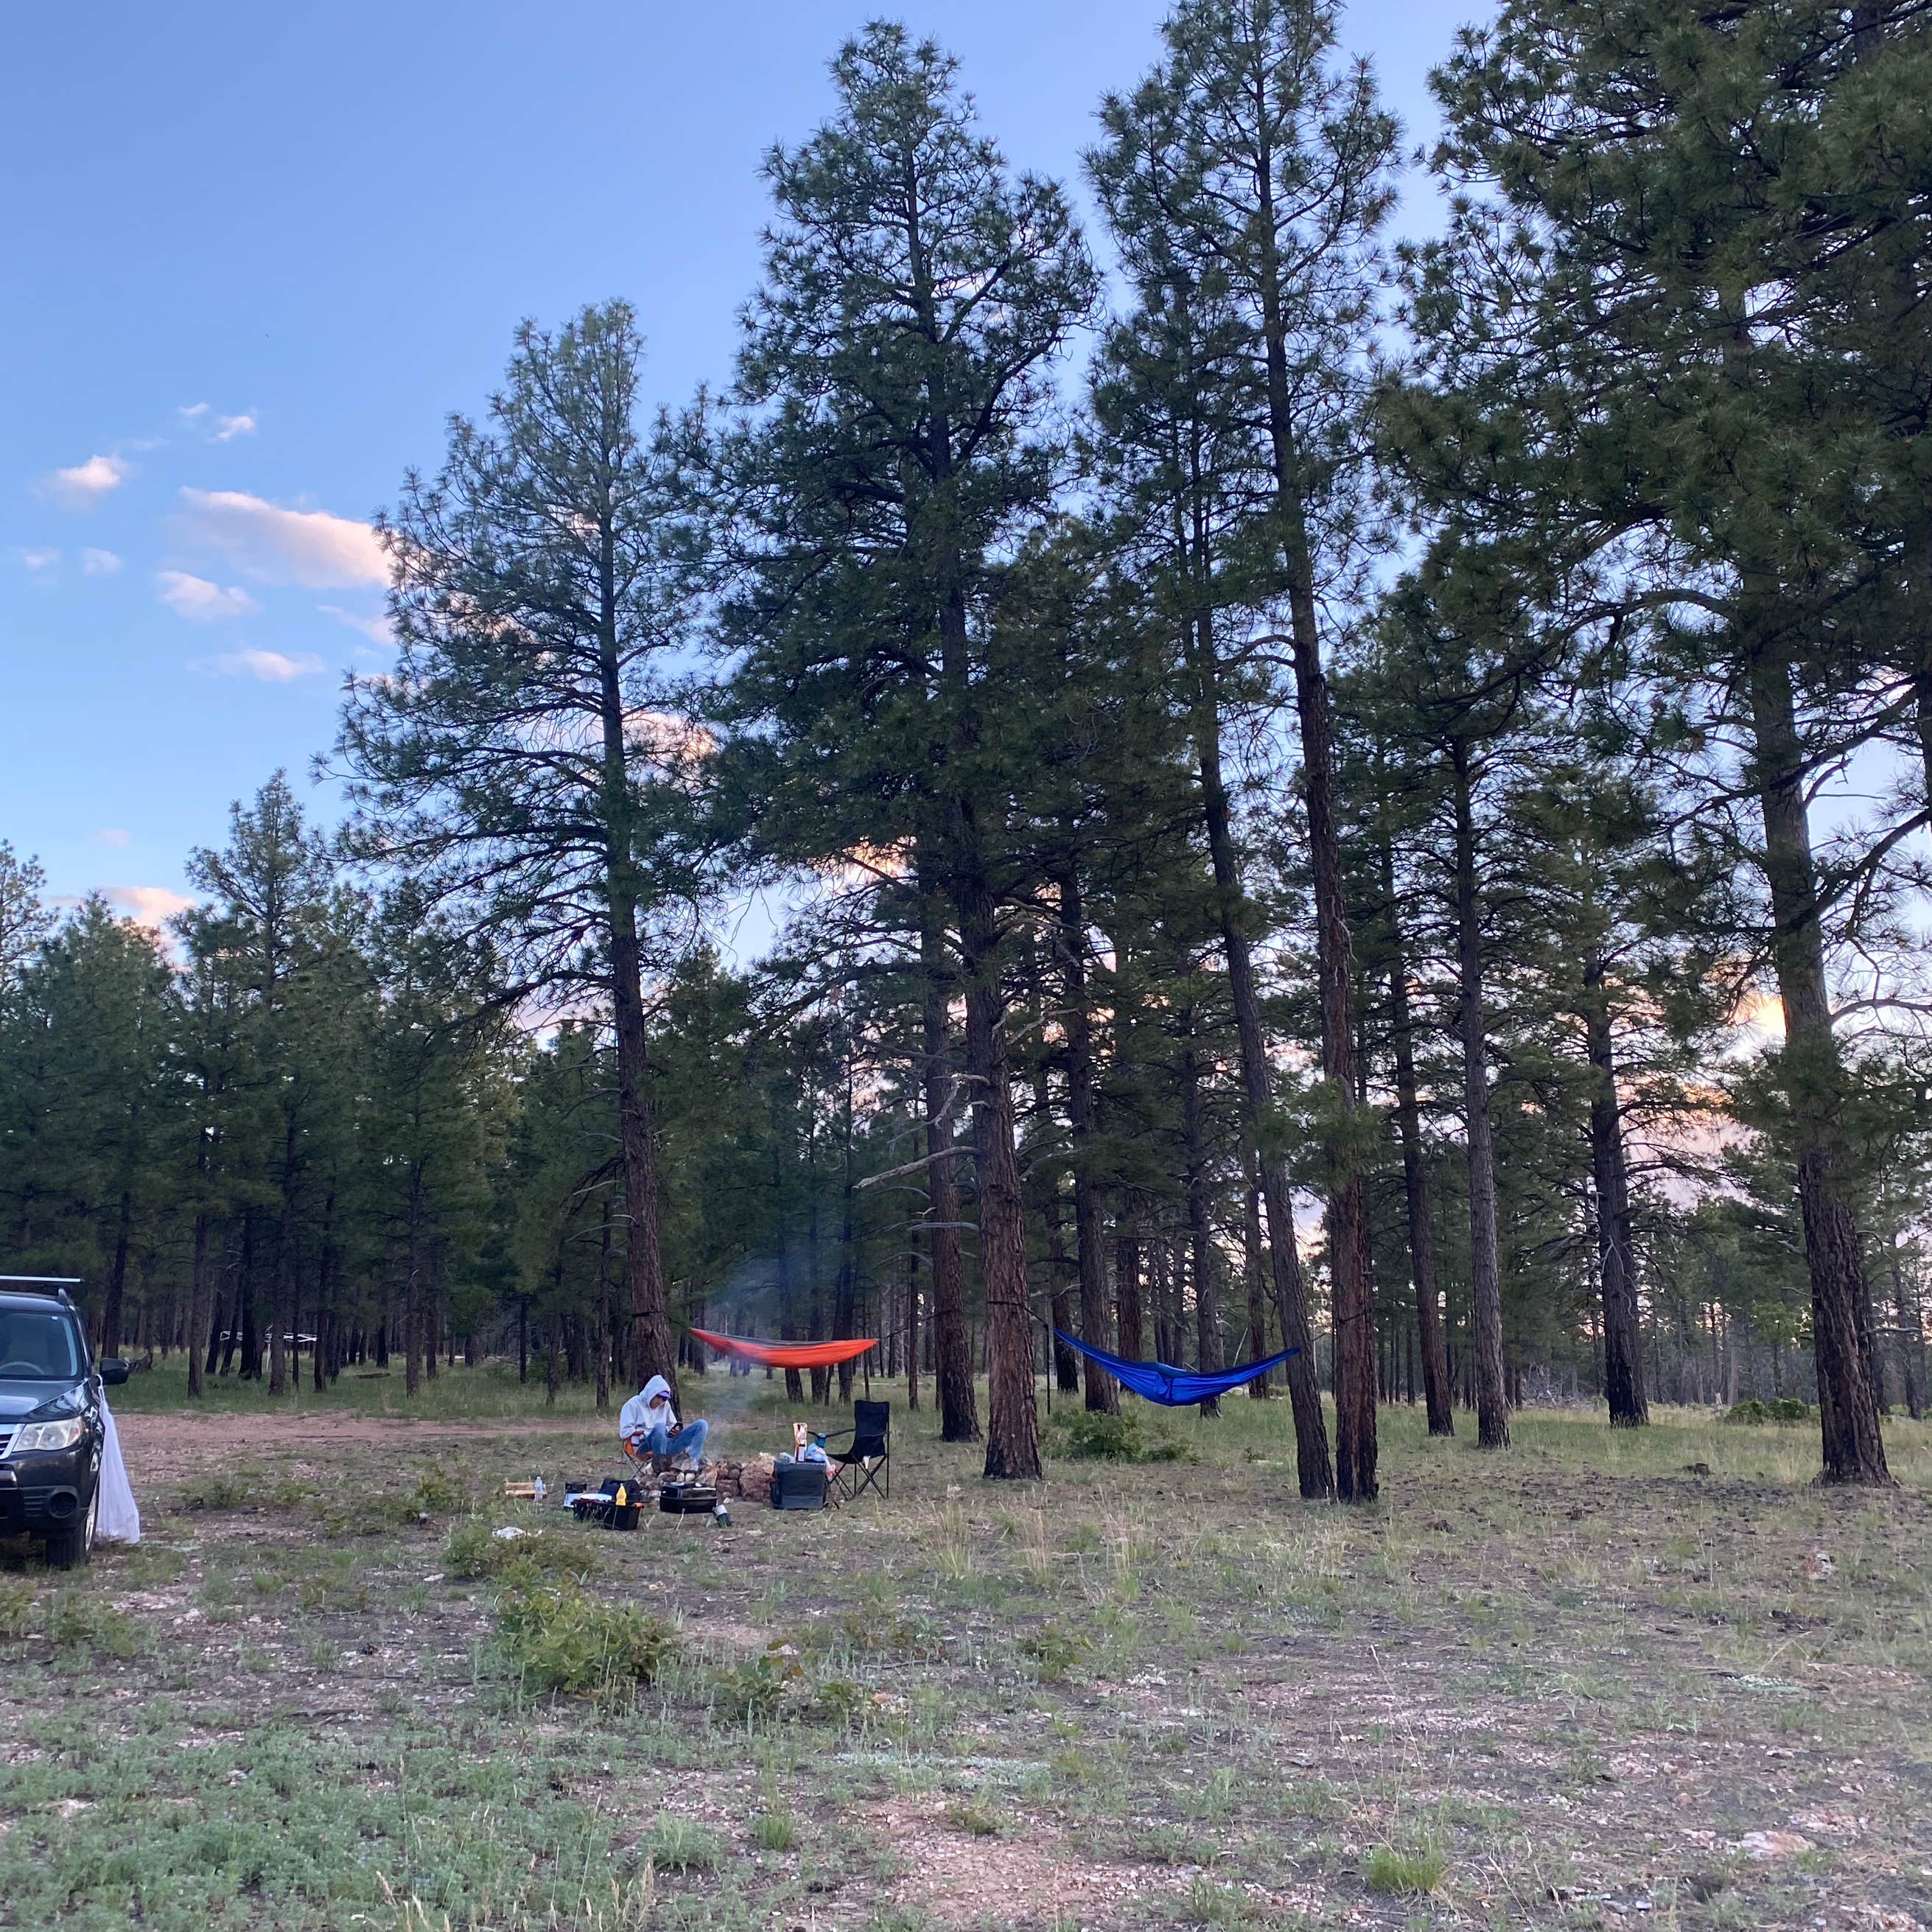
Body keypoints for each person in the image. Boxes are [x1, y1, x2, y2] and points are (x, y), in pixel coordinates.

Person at [618, 1373, 709, 1472]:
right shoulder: (633, 1405)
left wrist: (674, 1431)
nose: (662, 1401)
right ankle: (661, 1467)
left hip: (667, 1444)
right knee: (660, 1427)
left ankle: (693, 1461)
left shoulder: (665, 1405)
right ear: (651, 1393)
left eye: (665, 1398)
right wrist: (650, 1433)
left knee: (702, 1425)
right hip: (643, 1445)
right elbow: (625, 1432)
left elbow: (672, 1425)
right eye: (660, 1397)